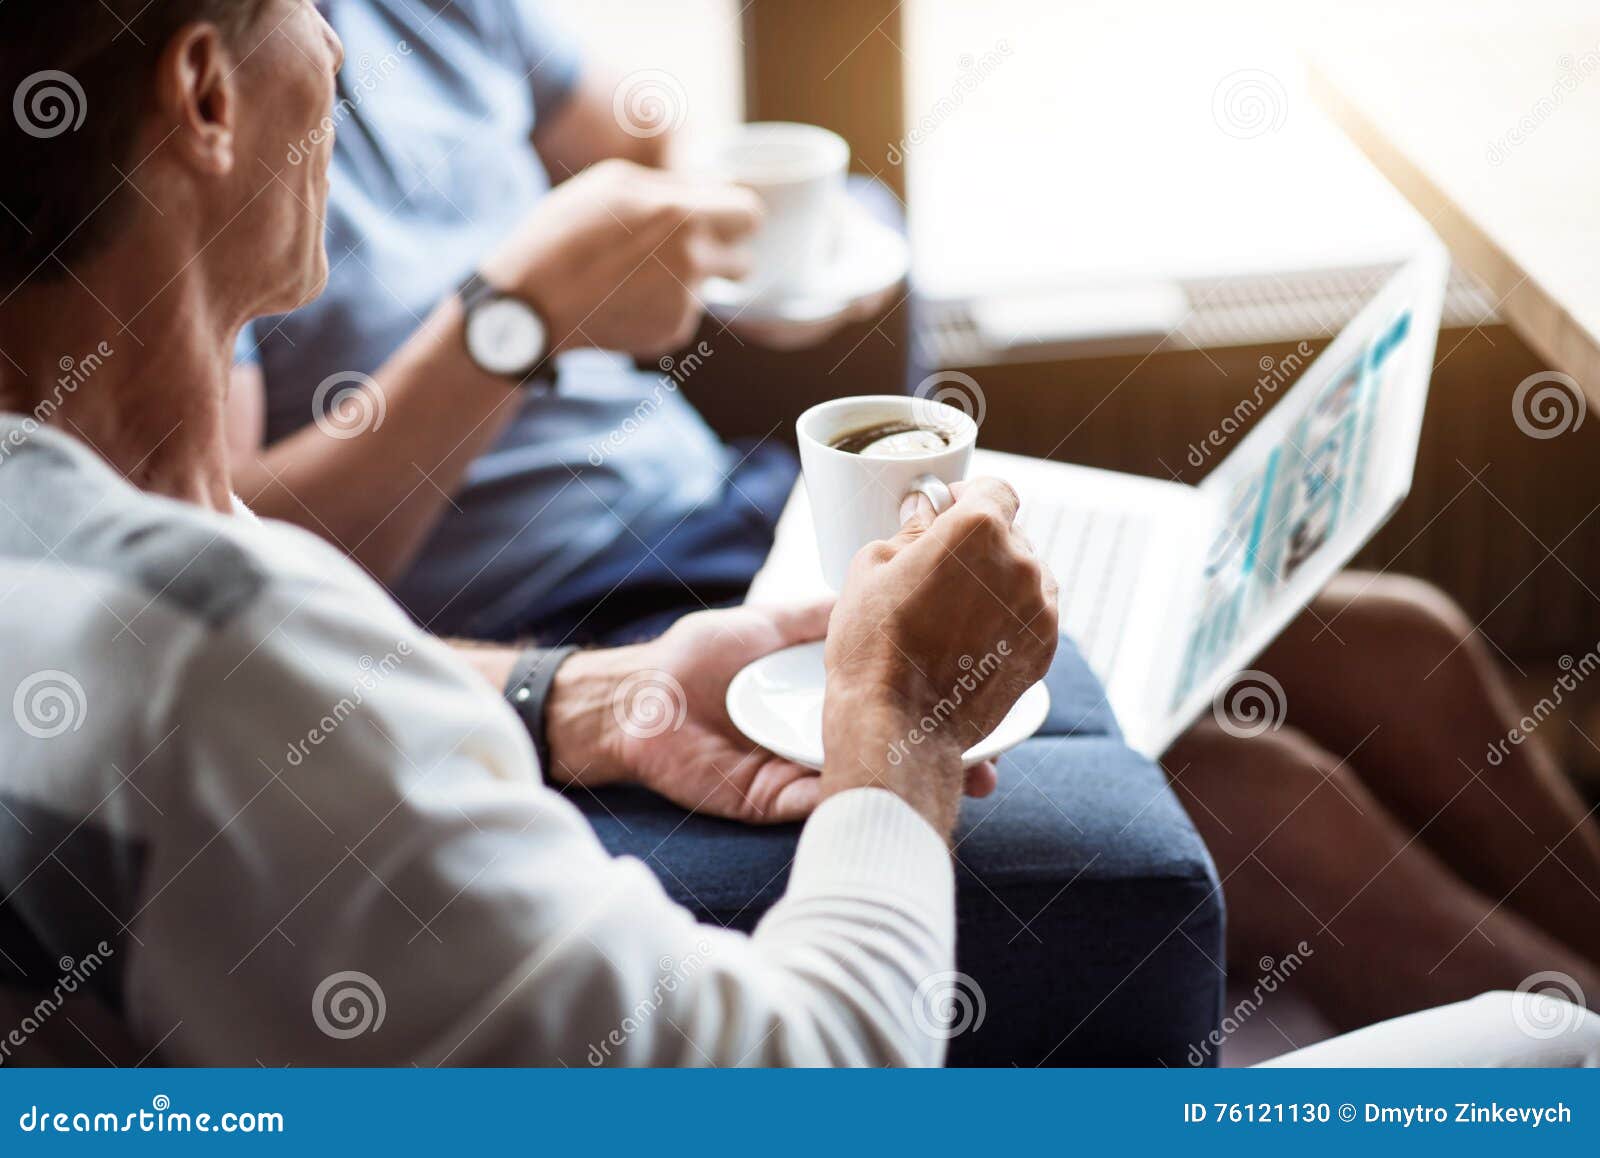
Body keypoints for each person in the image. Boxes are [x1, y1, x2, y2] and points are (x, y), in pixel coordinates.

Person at [3, 0, 1600, 1072]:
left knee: (1390, 634)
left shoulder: (94, 550)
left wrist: (582, 695)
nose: (338, 62)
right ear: (205, 93)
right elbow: (800, 1085)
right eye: (304, 24)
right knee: (1512, 1023)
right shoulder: (242, 660)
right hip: (602, 594)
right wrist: (893, 737)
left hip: (663, 553)